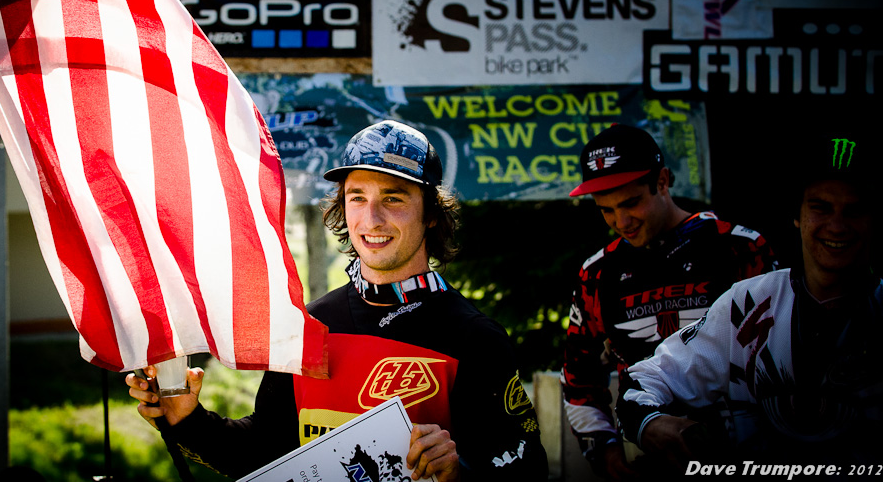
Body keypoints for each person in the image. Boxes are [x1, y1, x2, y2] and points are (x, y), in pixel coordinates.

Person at [127, 120, 548, 482]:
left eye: (394, 198)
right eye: (357, 197)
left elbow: (528, 471)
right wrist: (187, 417)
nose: (372, 219)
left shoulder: (474, 337)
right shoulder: (310, 325)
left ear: (432, 213)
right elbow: (264, 454)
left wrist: (461, 473)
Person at [616, 132, 882, 471]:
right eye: (820, 207)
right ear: (797, 215)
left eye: (855, 210)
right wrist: (652, 424)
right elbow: (642, 382)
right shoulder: (747, 303)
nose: (837, 225)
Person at [561, 124, 777, 479]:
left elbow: (788, 356)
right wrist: (606, 452)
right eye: (606, 210)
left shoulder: (740, 248)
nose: (622, 221)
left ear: (662, 181)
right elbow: (579, 378)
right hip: (652, 463)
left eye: (631, 202)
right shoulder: (598, 273)